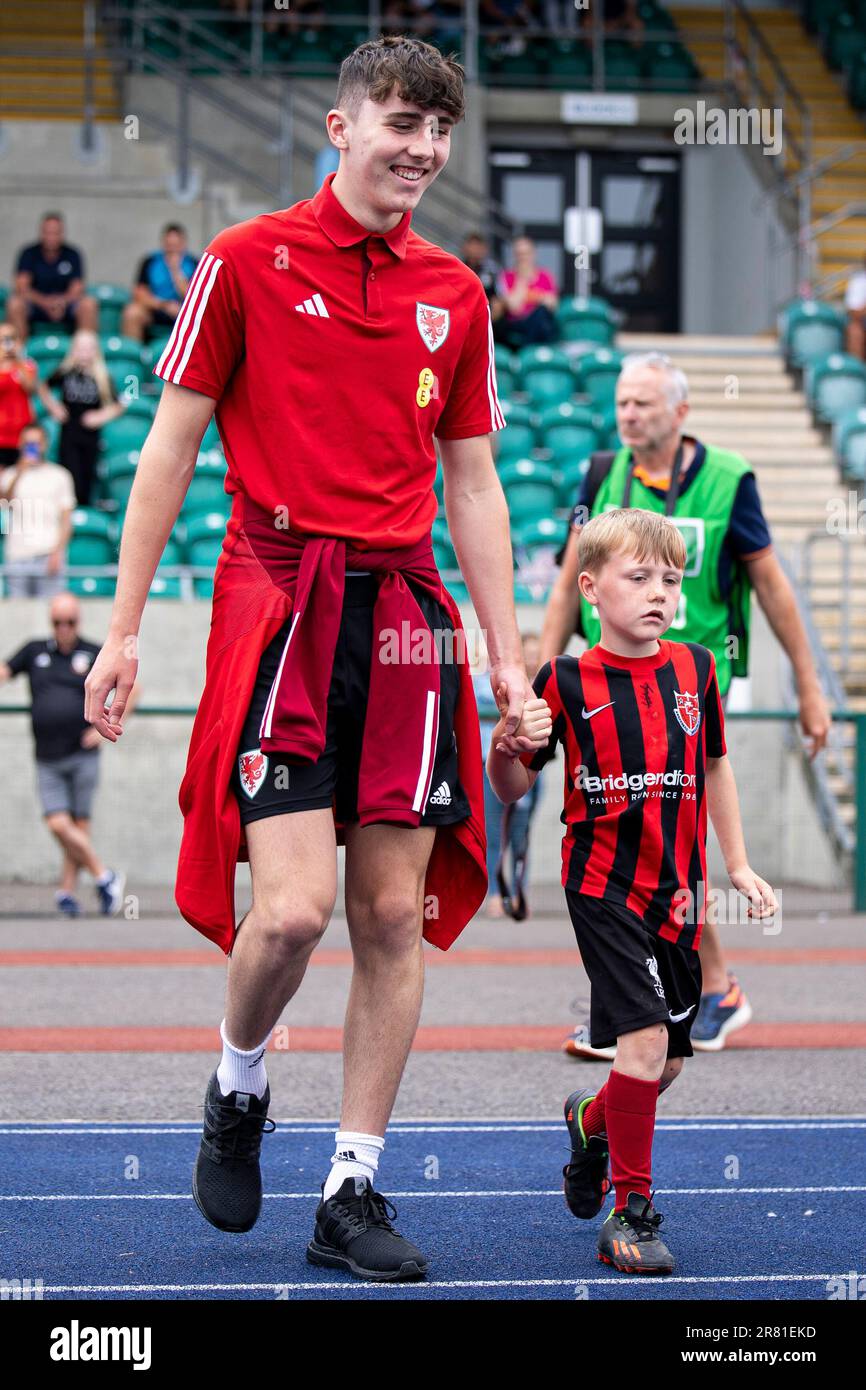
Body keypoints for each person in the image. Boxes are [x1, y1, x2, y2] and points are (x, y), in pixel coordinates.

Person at [83, 35, 532, 1284]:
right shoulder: (242, 263)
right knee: (285, 914)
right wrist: (122, 631)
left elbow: (477, 484)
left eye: (437, 131)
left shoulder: (456, 287)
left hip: (403, 609)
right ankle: (237, 1086)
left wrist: (504, 662)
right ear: (338, 128)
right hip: (279, 596)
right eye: (399, 122)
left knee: (390, 909)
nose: (421, 149)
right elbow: (169, 451)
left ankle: (350, 1185)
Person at [488, 507, 777, 1274]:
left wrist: (738, 863)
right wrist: (504, 747)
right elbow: (514, 787)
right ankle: (630, 1213)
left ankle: (591, 1120)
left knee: (668, 1062)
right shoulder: (563, 681)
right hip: (601, 888)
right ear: (590, 588)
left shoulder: (696, 670)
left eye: (671, 580)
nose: (660, 593)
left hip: (677, 896)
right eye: (639, 577)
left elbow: (714, 765)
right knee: (644, 1041)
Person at [541, 351, 830, 1053]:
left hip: (688, 679)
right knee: (628, 838)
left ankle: (679, 996)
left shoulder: (730, 481)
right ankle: (665, 997)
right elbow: (568, 578)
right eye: (621, 402)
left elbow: (771, 588)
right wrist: (541, 664)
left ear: (680, 411)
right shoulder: (601, 475)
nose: (627, 414)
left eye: (642, 402)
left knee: (668, 839)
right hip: (607, 678)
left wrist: (811, 685)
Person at [0, 593, 129, 917]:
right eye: (58, 623)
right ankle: (105, 877)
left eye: (69, 622)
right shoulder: (35, 650)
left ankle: (67, 892)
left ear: (78, 622)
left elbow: (131, 686)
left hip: (82, 753)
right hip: (47, 756)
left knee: (78, 824)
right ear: (51, 623)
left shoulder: (94, 652)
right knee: (59, 823)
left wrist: (112, 720)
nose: (64, 629)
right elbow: (5, 671)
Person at [474, 630, 542, 918]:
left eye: (535, 652)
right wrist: (508, 717)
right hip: (490, 767)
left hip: (530, 766)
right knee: (492, 831)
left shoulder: (534, 684)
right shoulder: (482, 682)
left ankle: (518, 890)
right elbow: (474, 710)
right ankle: (493, 893)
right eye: (527, 650)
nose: (531, 656)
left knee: (520, 832)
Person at [39, 331, 126, 506]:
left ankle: (83, 511)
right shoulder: (65, 372)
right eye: (80, 348)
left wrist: (101, 416)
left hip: (91, 438)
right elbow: (43, 387)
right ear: (73, 350)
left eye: (89, 349)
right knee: (70, 476)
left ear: (96, 351)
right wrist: (54, 407)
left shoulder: (102, 377)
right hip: (68, 435)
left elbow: (119, 405)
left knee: (86, 476)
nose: (85, 353)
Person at [0, 422, 75, 598]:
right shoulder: (11, 475)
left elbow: (66, 519)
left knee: (50, 613)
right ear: (20, 445)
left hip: (48, 554)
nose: (32, 448)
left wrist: (58, 552)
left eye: (36, 443)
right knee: (18, 616)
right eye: (27, 443)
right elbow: (4, 501)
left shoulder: (60, 475)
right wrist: (19, 471)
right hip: (17, 556)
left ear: (45, 445)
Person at [7, 212, 98, 340]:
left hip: (65, 305)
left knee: (88, 304)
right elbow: (22, 287)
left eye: (55, 232)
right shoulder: (28, 253)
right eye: (48, 232)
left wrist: (61, 302)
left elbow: (77, 288)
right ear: (41, 232)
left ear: (62, 233)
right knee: (15, 304)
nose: (51, 237)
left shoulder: (73, 254)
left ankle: (86, 352)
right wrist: (45, 302)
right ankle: (20, 354)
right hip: (36, 305)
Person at [121, 225, 200, 343]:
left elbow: (195, 297)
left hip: (184, 313)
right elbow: (139, 294)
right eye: (169, 247)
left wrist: (176, 271)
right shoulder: (150, 261)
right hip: (156, 309)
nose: (172, 251)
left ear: (183, 245)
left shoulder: (194, 263)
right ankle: (132, 356)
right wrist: (164, 305)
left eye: (176, 247)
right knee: (132, 313)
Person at [495, 235, 559, 349]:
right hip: (517, 324)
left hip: (540, 324)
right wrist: (522, 279)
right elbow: (514, 308)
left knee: (541, 315)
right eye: (519, 254)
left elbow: (552, 304)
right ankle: (528, 352)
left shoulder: (545, 276)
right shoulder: (507, 277)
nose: (523, 258)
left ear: (533, 254)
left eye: (526, 253)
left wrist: (531, 297)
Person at [0, 322, 38, 468]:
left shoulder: (27, 365)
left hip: (24, 433)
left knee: (28, 474)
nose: (6, 344)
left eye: (10, 339)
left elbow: (30, 388)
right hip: (1, 434)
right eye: (2, 339)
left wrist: (18, 359)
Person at [461, 231, 502, 307]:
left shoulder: (492, 270)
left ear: (484, 249)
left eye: (478, 246)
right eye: (472, 245)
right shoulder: (459, 268)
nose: (474, 250)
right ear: (465, 248)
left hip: (485, 308)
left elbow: (497, 296)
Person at [844, 255, 866, 360]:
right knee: (855, 331)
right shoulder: (858, 282)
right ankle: (858, 370)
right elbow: (853, 312)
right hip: (862, 323)